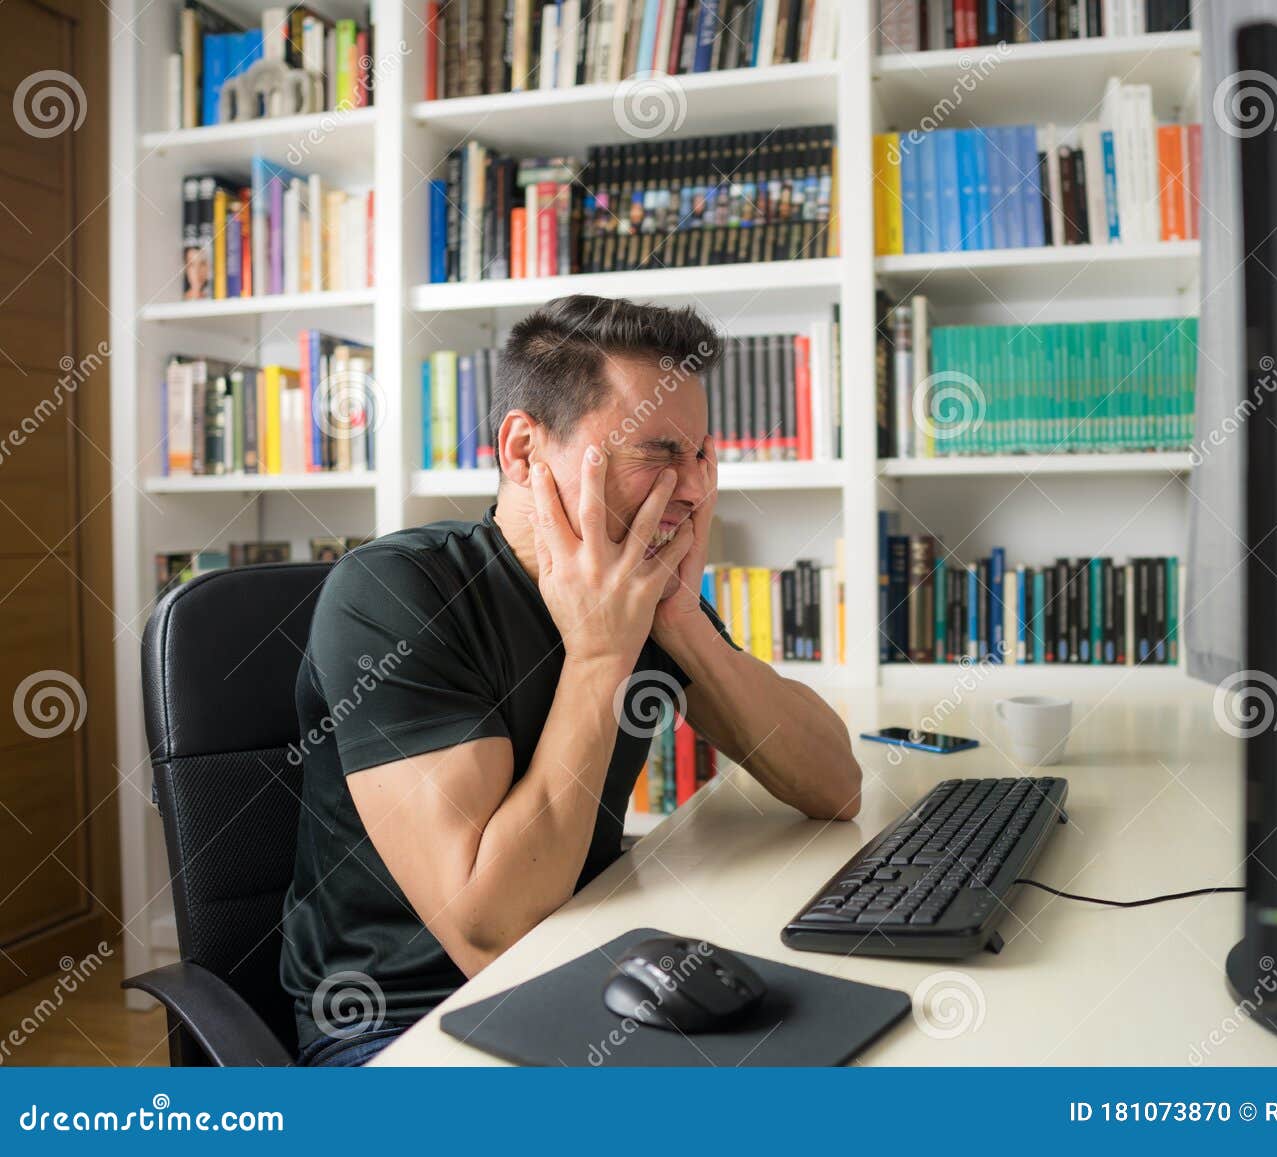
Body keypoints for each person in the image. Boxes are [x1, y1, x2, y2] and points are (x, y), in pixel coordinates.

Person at [280, 296, 862, 1066]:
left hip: (588, 959)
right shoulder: (390, 594)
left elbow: (836, 785)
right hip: (403, 1028)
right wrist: (597, 658)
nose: (690, 491)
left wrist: (682, 622)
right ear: (523, 451)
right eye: (657, 453)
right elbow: (489, 930)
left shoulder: (639, 588)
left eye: (699, 457)